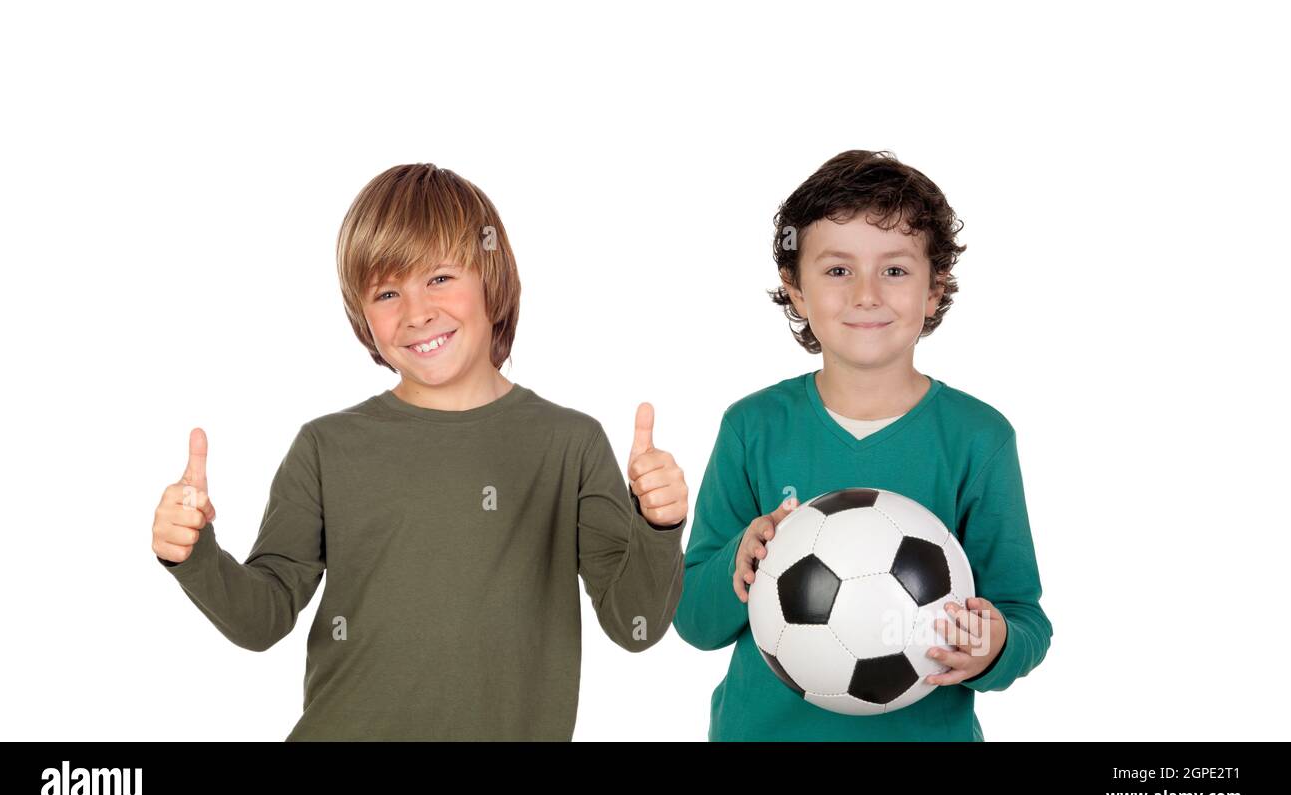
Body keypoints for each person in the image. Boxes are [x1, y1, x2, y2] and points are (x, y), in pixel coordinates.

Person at [150, 163, 689, 740]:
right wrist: (194, 556)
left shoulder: (570, 444)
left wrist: (660, 525)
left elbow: (635, 627)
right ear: (363, 318)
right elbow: (262, 619)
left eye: (438, 278)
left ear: (491, 278)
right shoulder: (326, 448)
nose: (415, 312)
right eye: (386, 292)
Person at [673, 149, 1052, 741]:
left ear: (935, 290)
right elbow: (694, 620)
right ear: (796, 291)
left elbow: (1025, 620)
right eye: (838, 270)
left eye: (895, 270)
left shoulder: (979, 438)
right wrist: (737, 564)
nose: (867, 294)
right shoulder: (752, 426)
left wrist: (995, 644)